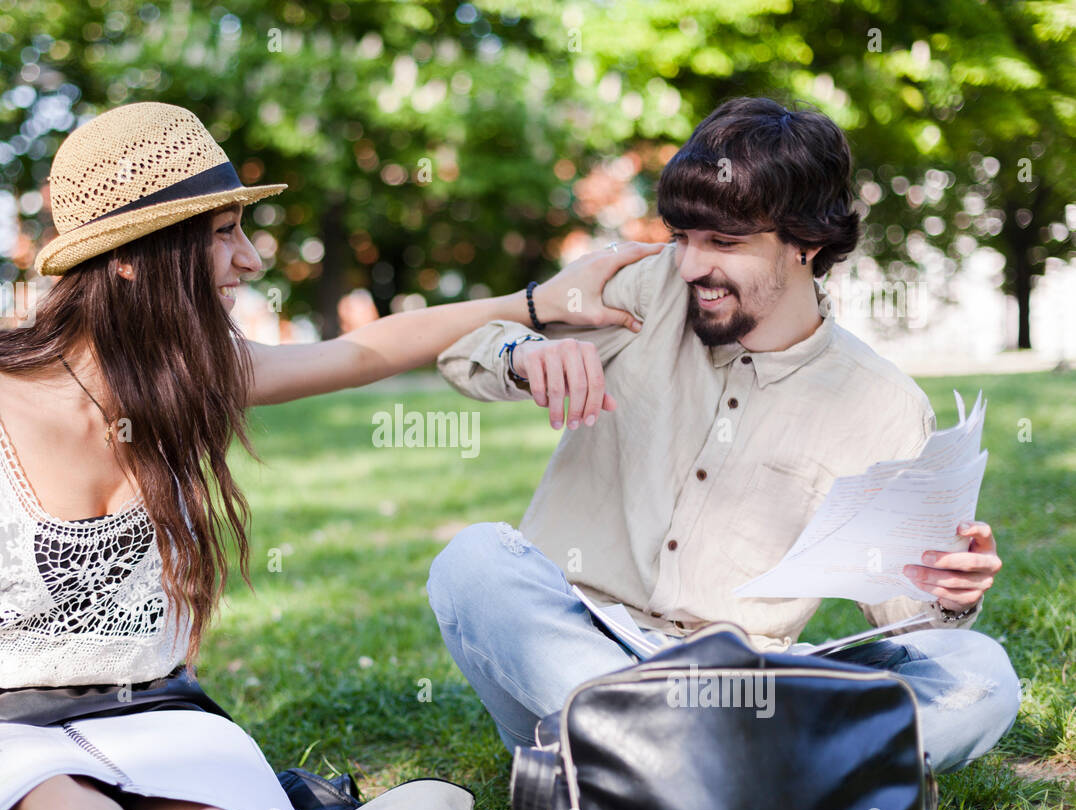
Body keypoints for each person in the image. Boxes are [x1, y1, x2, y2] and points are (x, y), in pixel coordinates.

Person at [0, 101, 654, 810]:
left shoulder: (196, 380)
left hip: (152, 714)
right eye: (221, 233)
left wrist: (540, 304)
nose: (249, 260)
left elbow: (373, 349)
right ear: (134, 259)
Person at [427, 96, 1019, 775]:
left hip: (749, 684)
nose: (689, 265)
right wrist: (523, 355)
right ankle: (726, 770)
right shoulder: (639, 291)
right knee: (472, 562)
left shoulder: (882, 403)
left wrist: (950, 592)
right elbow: (461, 346)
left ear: (807, 244)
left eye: (724, 244)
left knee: (979, 672)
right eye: (682, 236)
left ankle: (659, 765)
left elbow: (901, 614)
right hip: (575, 650)